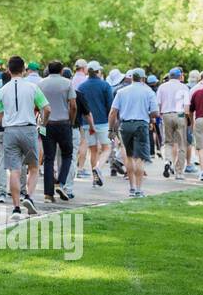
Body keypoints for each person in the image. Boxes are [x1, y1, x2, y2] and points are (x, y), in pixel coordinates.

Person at [0, 56, 49, 218]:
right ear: (24, 70)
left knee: (14, 170)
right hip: (29, 129)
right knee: (33, 167)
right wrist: (43, 124)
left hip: (10, 131)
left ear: (9, 70)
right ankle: (29, 197)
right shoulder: (33, 88)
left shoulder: (2, 91)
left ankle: (16, 208)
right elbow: (47, 108)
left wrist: (7, 123)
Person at [108, 68, 155, 197]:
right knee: (139, 157)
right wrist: (150, 116)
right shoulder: (148, 92)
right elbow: (155, 112)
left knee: (128, 157)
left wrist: (111, 129)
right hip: (141, 125)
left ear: (132, 78)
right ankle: (139, 189)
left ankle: (132, 188)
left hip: (125, 125)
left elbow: (113, 112)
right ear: (143, 78)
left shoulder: (121, 92)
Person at [37, 60, 76, 203]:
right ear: (61, 70)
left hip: (46, 124)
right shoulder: (67, 83)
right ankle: (60, 182)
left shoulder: (41, 83)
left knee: (48, 158)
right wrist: (71, 121)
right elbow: (73, 106)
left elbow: (37, 104)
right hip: (63, 123)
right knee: (67, 154)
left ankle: (48, 194)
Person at [77, 61, 112, 186]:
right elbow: (110, 105)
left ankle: (95, 179)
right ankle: (98, 168)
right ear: (98, 72)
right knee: (107, 148)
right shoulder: (105, 85)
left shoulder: (81, 87)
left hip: (87, 122)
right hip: (102, 121)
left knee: (93, 150)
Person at [156, 67, 190, 179]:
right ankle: (179, 172)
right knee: (181, 144)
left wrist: (161, 115)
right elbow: (186, 107)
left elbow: (159, 104)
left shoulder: (162, 87)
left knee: (168, 142)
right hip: (180, 114)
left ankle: (167, 161)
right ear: (180, 76)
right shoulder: (184, 87)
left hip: (166, 114)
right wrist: (187, 118)